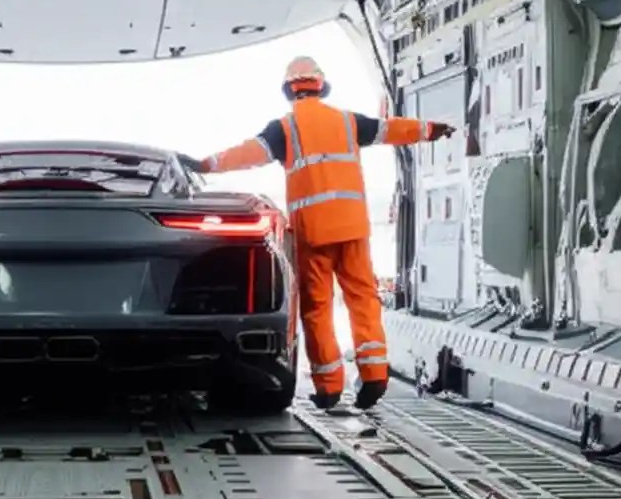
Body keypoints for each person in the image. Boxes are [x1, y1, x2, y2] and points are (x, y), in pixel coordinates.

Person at [179, 56, 455, 410]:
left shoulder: (284, 129)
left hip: (313, 233)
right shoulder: (348, 122)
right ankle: (374, 376)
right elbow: (391, 129)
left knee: (317, 308)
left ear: (289, 89)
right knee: (363, 299)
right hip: (352, 228)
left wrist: (205, 165)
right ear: (321, 86)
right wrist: (430, 129)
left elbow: (246, 154)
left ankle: (328, 387)